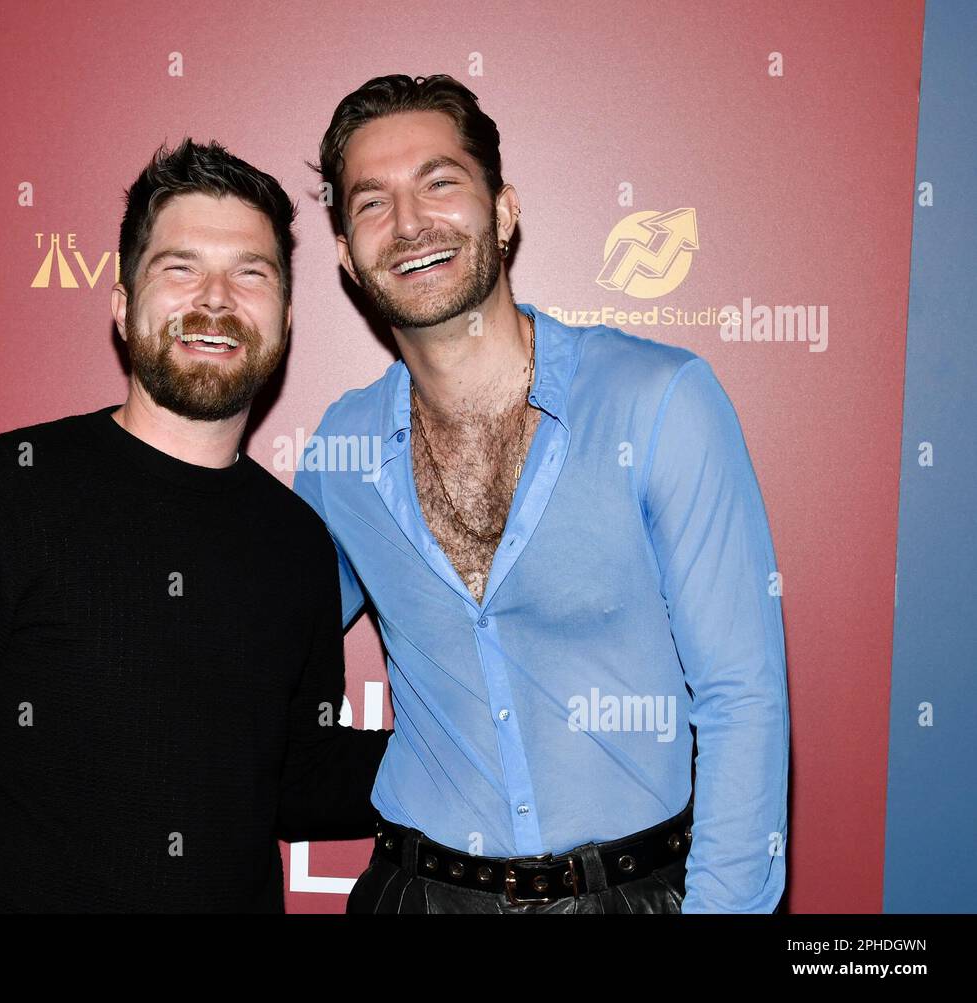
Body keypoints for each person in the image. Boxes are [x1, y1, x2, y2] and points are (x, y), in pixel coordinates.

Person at [295, 74, 790, 913]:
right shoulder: (339, 454)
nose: (411, 222)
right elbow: (257, 639)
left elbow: (742, 696)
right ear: (347, 254)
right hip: (418, 893)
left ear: (505, 210)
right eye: (372, 202)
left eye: (441, 182)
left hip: (632, 893)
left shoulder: (658, 399)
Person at [0, 138, 390, 913]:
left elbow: (295, 777)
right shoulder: (1, 492)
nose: (216, 299)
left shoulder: (298, 541)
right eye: (180, 268)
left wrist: (471, 750)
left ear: (284, 319)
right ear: (121, 304)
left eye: (251, 273)